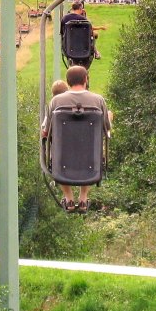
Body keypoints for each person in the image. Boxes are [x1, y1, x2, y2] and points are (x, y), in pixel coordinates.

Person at [44, 66, 111, 212]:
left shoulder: (56, 101)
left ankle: (68, 197)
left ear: (68, 82)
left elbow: (45, 131)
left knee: (58, 151)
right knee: (90, 148)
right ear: (86, 79)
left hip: (62, 158)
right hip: (90, 157)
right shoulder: (98, 101)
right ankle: (83, 196)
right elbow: (107, 128)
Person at [59, 0, 103, 67]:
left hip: (69, 46)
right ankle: (96, 52)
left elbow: (62, 33)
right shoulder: (83, 19)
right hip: (82, 47)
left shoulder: (64, 18)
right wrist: (85, 16)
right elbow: (89, 31)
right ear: (80, 9)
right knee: (94, 35)